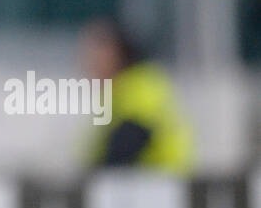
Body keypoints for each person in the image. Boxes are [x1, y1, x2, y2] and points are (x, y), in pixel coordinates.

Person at [80, 19, 193, 173]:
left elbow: (128, 142)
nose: (88, 63)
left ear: (116, 54)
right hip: (149, 186)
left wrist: (92, 176)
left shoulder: (141, 86)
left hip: (159, 185)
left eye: (94, 54)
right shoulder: (118, 91)